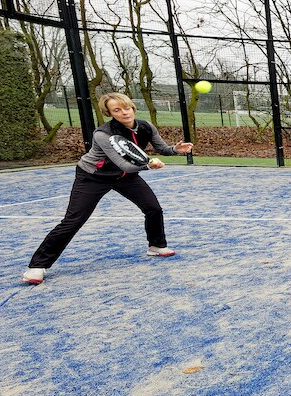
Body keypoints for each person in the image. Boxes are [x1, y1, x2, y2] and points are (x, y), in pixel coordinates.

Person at [22, 93, 194, 285]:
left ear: (133, 108)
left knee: (153, 208)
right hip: (93, 177)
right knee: (73, 220)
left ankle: (156, 246)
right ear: (110, 113)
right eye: (117, 110)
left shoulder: (145, 126)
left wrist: (175, 150)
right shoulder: (103, 134)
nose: (124, 112)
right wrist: (148, 165)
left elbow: (162, 148)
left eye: (126, 108)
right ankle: (37, 266)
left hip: (126, 178)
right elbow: (125, 165)